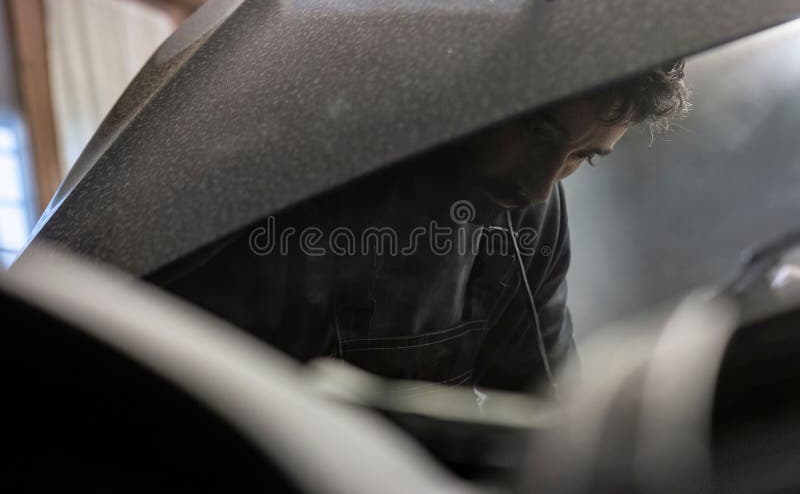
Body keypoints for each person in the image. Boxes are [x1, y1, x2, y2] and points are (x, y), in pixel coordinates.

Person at [150, 60, 690, 395]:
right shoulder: (289, 192)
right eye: (538, 130)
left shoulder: (534, 216)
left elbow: (544, 406)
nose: (542, 184)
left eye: (581, 157)